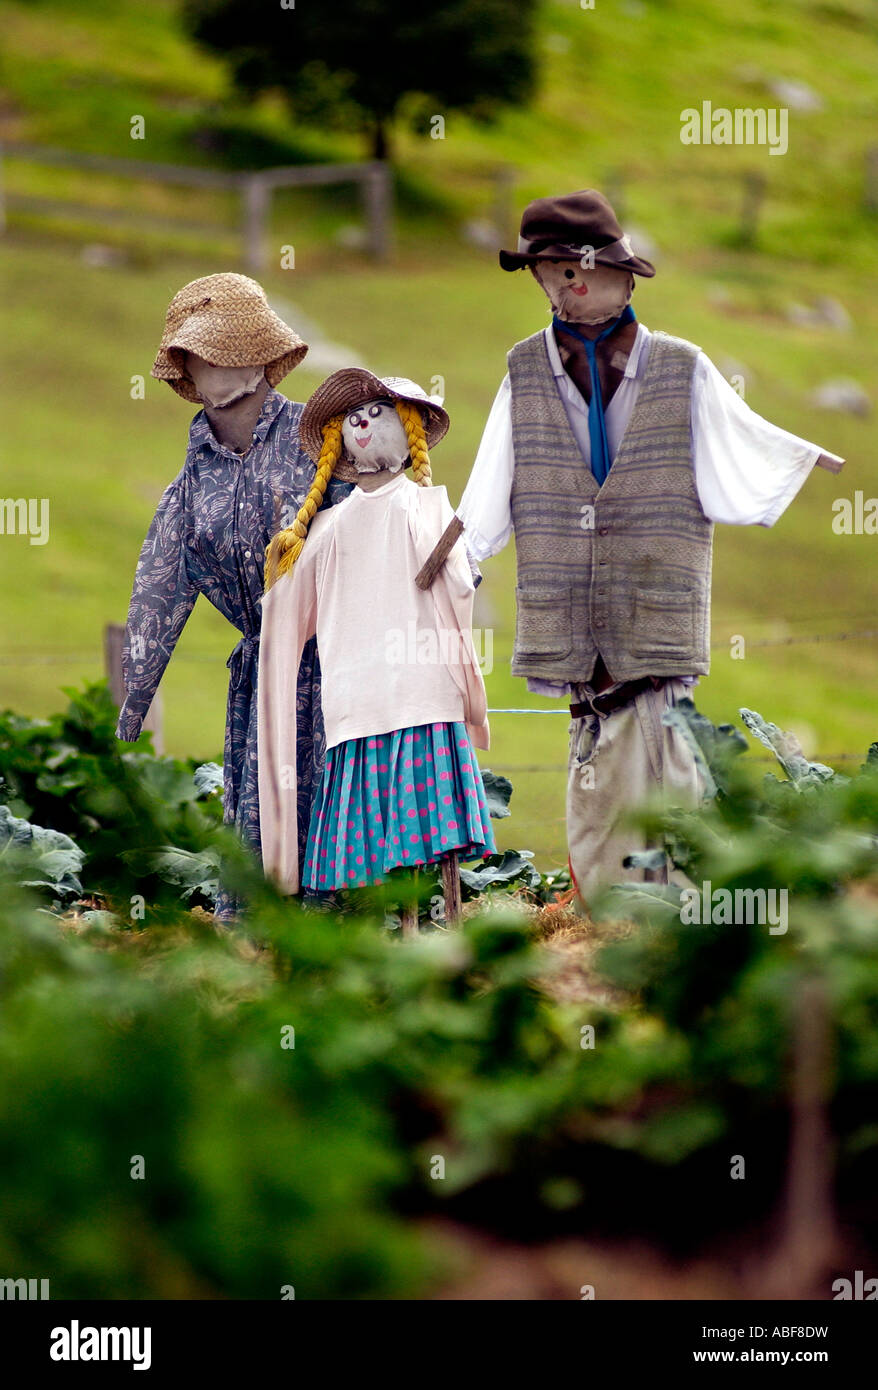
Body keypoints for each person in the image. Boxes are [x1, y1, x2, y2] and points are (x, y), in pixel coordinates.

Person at [457, 189, 846, 910]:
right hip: (567, 611)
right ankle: (609, 913)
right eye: (552, 272)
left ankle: (658, 913)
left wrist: (800, 456)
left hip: (658, 612)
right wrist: (457, 551)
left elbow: (744, 439)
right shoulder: (523, 372)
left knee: (668, 766)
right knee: (594, 755)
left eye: (580, 269)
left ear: (622, 275)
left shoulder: (682, 367)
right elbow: (487, 487)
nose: (569, 285)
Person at [116, 273, 351, 916]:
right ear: (184, 367)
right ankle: (257, 959)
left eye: (226, 348)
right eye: (199, 353)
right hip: (260, 685)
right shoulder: (191, 482)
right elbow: (157, 590)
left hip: (340, 677)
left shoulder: (323, 443)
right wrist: (130, 711)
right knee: (259, 832)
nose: (213, 364)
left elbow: (384, 537)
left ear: (259, 355)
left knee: (334, 825)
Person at [258, 369, 494, 897]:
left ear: (406, 428)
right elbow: (284, 617)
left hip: (423, 699)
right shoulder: (327, 529)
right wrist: (278, 579)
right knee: (386, 866)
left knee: (435, 856)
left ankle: (448, 935)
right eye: (354, 420)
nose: (363, 426)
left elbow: (458, 583)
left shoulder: (425, 508)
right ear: (339, 440)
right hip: (358, 706)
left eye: (377, 416)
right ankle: (399, 944)